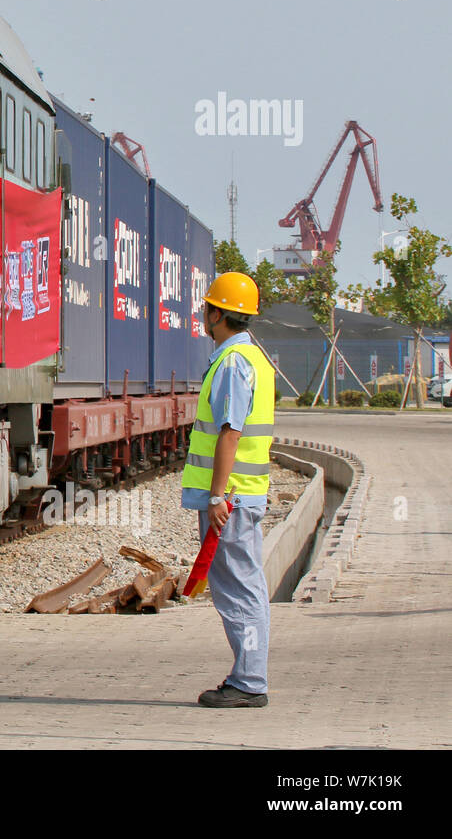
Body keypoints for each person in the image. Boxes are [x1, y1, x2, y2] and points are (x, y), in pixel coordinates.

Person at [182, 271, 275, 708]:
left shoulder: (233, 362)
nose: (204, 314)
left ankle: (249, 682)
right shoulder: (253, 357)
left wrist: (217, 496)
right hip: (244, 493)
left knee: (238, 587)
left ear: (217, 314)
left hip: (231, 499)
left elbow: (230, 433)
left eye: (207, 308)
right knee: (244, 583)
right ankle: (248, 676)